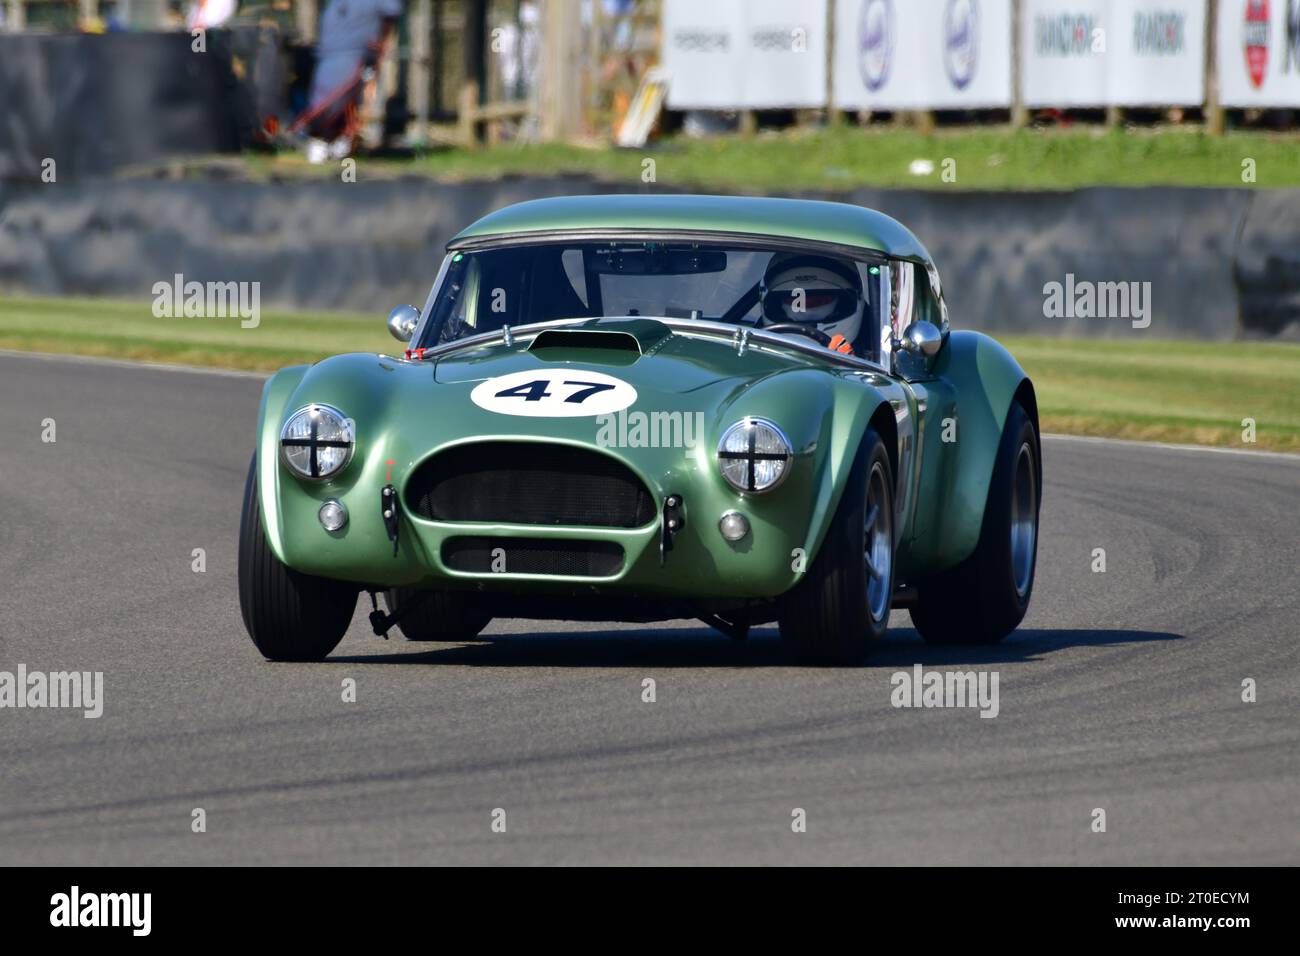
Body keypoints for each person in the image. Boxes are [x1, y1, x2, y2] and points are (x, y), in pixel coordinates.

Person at [301, 0, 402, 162]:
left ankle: (341, 143)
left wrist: (379, 46)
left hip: (355, 53)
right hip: (330, 53)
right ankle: (323, 143)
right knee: (324, 104)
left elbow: (390, 15)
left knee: (348, 102)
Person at [758, 253, 866, 355]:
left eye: (818, 301)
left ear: (842, 304)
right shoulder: (749, 345)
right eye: (795, 301)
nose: (806, 310)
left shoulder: (880, 353)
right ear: (776, 307)